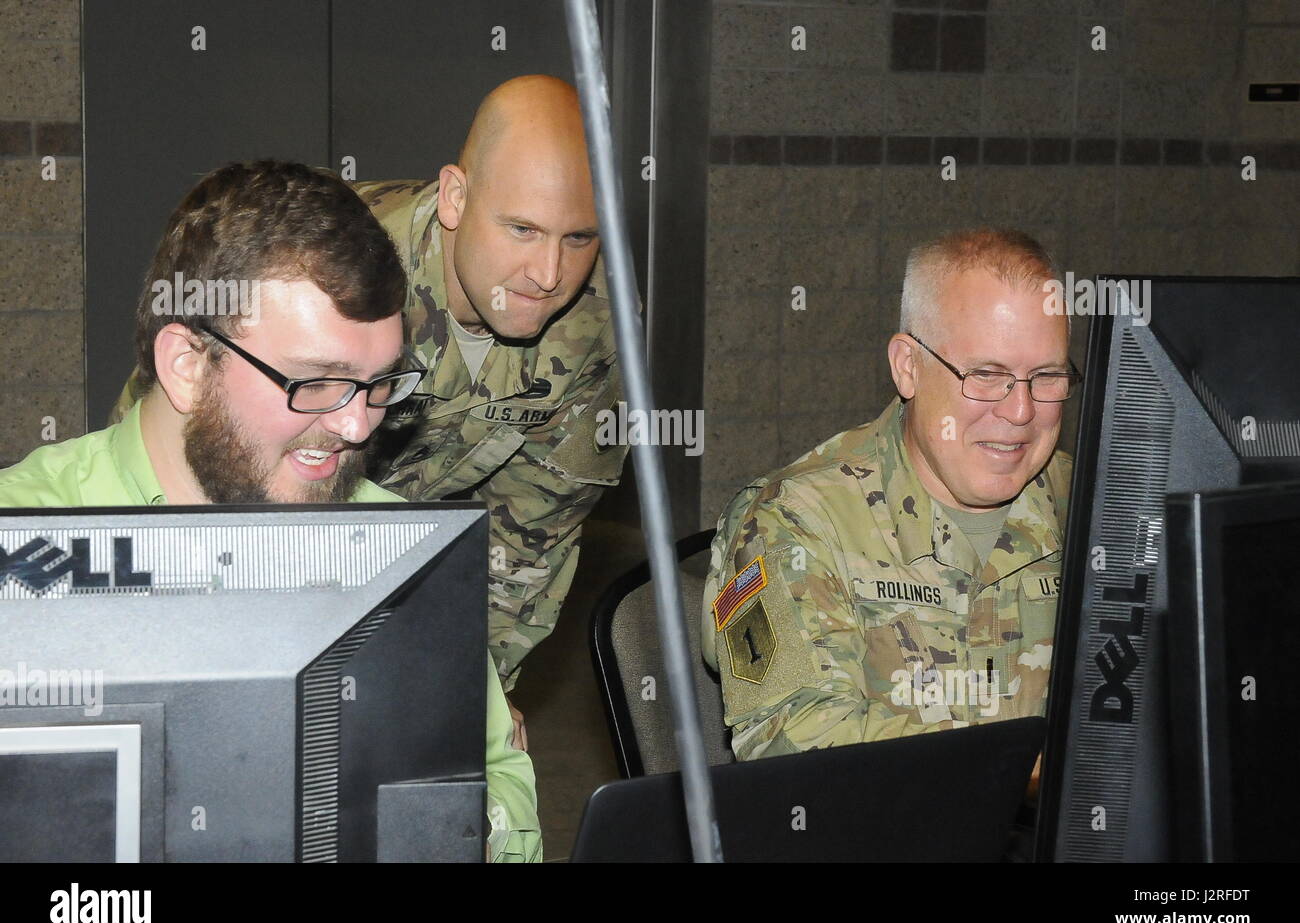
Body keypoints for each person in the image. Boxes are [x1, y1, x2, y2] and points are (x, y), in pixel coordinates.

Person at [0, 159, 541, 862]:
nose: (357, 428)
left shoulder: (398, 555)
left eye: (380, 385)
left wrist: (453, 830)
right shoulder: (25, 543)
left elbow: (505, 791)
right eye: (317, 383)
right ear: (188, 366)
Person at [113, 77, 629, 749]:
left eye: (579, 237)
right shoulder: (339, 270)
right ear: (455, 196)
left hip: (390, 560)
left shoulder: (591, 333)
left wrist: (463, 693)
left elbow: (529, 544)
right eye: (522, 229)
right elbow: (181, 444)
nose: (550, 271)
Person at [701, 228, 1078, 763]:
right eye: (987, 376)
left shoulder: (1099, 505)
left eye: (1046, 377)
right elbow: (796, 743)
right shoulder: (793, 518)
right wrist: (1029, 771)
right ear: (909, 367)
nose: (1020, 412)